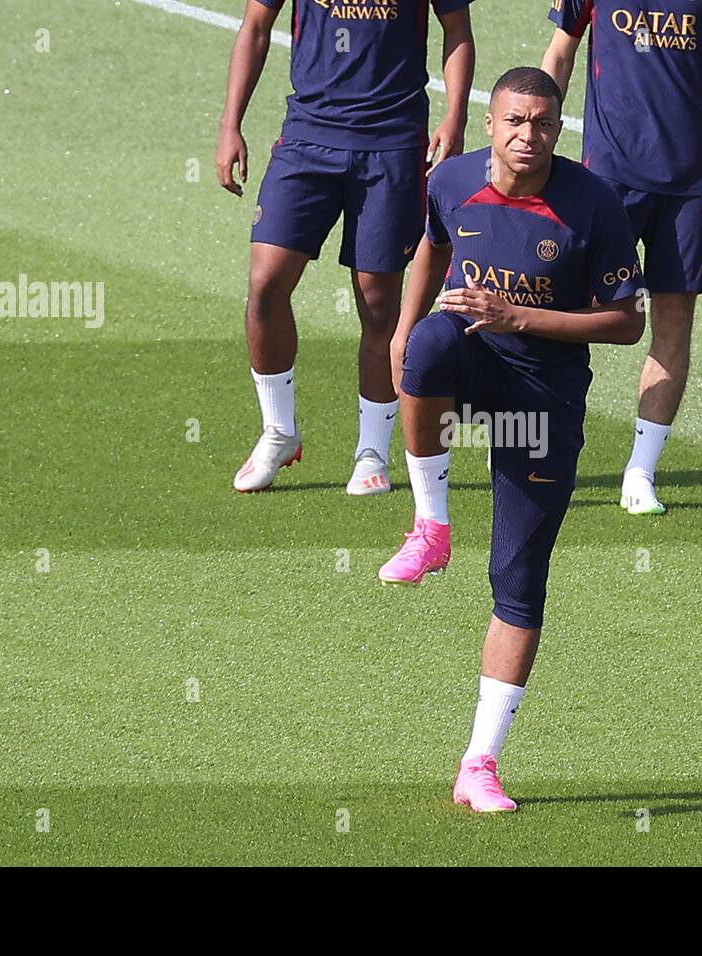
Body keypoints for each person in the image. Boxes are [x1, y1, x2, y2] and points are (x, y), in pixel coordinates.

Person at [379, 67, 646, 811]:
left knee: (519, 580)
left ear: (560, 129)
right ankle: (431, 525)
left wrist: (518, 317)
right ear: (488, 123)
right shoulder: (452, 180)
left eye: (543, 122)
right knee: (428, 346)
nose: (528, 135)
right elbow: (431, 245)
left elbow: (628, 322)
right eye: (514, 121)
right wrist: (404, 326)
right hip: (471, 363)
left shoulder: (594, 204)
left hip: (543, 397)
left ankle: (479, 763)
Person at [216, 0, 476, 495]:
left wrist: (455, 116)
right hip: (307, 138)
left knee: (378, 303)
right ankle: (279, 430)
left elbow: (457, 31)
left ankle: (372, 450)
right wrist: (231, 123)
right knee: (266, 282)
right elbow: (254, 26)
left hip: (392, 144)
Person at [541, 0, 702, 515]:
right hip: (605, 179)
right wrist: (537, 145)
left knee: (673, 322)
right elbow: (559, 55)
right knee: (562, 307)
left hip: (692, 188)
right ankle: (545, 451)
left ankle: (641, 472)